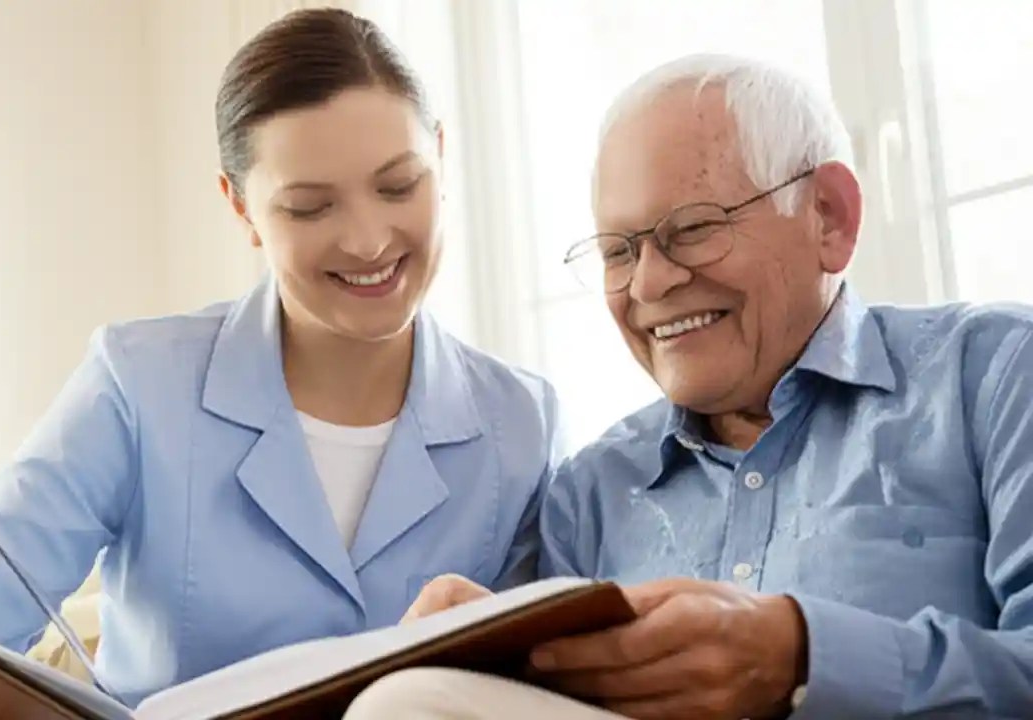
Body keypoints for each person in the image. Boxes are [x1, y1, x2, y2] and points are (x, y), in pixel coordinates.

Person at [0, 8, 564, 717]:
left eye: (399, 185)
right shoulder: (139, 383)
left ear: (441, 154)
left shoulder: (522, 425)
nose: (370, 240)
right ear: (240, 208)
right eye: (311, 208)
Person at [346, 54, 1033, 720]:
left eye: (696, 228)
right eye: (618, 251)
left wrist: (804, 657)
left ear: (828, 215)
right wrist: (482, 659)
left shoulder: (997, 377)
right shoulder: (590, 495)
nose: (649, 284)